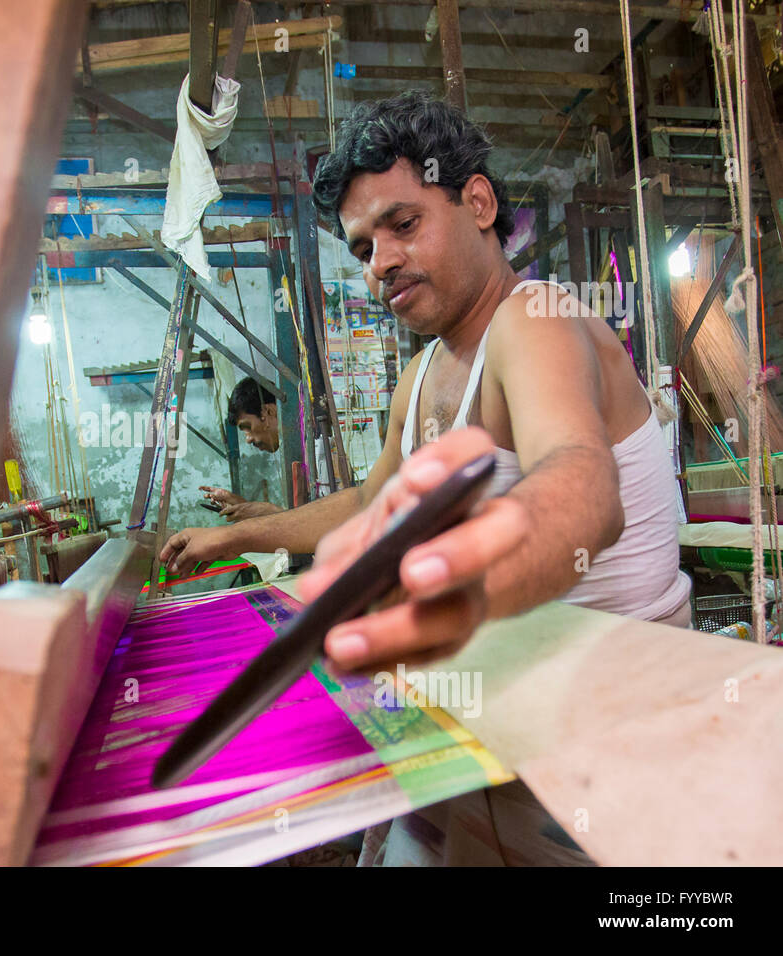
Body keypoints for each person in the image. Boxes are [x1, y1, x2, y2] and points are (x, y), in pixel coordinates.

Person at [159, 90, 693, 863]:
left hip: (610, 746)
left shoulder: (536, 322)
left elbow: (580, 489)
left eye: (402, 224)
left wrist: (458, 595)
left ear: (477, 202)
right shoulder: (423, 378)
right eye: (363, 248)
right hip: (498, 734)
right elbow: (371, 503)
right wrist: (238, 535)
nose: (382, 264)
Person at [199, 377, 283, 522]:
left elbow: (310, 522)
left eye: (248, 427)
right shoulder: (290, 455)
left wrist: (266, 511)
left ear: (269, 412)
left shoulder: (313, 450)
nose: (248, 439)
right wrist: (241, 505)